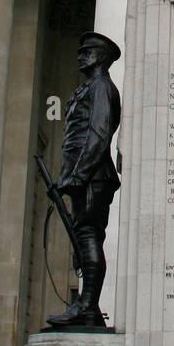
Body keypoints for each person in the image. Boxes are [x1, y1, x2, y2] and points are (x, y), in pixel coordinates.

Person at [48, 33, 121, 329]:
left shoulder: (102, 87)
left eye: (87, 51)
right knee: (84, 238)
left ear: (101, 57)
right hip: (84, 175)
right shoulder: (89, 88)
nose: (80, 55)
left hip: (93, 176)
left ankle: (87, 305)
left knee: (89, 236)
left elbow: (99, 133)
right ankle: (86, 305)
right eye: (80, 51)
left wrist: (79, 174)